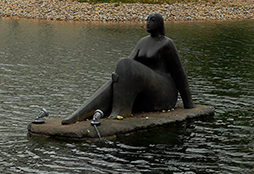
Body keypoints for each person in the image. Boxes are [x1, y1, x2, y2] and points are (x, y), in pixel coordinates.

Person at [62, 13, 193, 124]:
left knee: (124, 64)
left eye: (152, 20)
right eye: (147, 20)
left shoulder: (166, 43)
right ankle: (78, 115)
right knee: (117, 77)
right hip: (146, 93)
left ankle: (120, 111)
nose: (147, 23)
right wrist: (117, 78)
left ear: (160, 24)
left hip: (164, 94)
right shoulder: (143, 42)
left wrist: (188, 104)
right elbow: (128, 63)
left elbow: (179, 73)